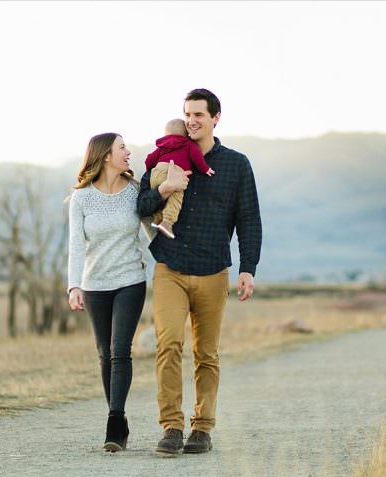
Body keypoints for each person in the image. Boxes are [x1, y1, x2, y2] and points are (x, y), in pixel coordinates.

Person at [137, 88, 262, 456]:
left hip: (213, 270)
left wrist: (248, 268)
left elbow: (249, 219)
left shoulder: (236, 165)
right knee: (168, 345)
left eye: (199, 115)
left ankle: (202, 428)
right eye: (187, 114)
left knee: (206, 353)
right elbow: (141, 205)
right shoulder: (165, 157)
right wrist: (165, 189)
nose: (191, 121)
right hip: (170, 267)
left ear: (215, 118)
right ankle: (171, 426)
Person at [67, 132, 149, 452]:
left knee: (120, 349)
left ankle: (113, 423)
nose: (128, 152)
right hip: (95, 286)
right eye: (122, 147)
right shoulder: (82, 198)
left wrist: (175, 261)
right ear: (105, 156)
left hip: (130, 280)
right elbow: (76, 245)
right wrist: (74, 285)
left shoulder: (135, 191)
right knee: (105, 354)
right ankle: (120, 417)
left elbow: (152, 231)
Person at [144, 118, 214, 239]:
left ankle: (157, 219)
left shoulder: (162, 146)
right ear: (186, 134)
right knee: (176, 198)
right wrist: (205, 168)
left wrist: (150, 171)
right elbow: (196, 156)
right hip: (176, 172)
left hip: (156, 172)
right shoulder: (188, 144)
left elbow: (149, 159)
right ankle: (167, 222)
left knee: (158, 194)